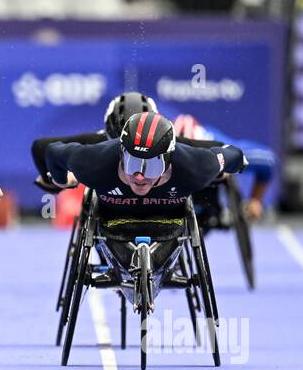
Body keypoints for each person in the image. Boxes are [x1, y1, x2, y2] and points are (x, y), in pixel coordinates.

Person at [44, 113, 247, 285]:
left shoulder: (195, 166)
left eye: (151, 167)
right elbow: (53, 151)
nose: (139, 177)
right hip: (112, 223)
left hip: (169, 224)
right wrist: (62, 181)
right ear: (121, 154)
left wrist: (235, 166)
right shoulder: (94, 161)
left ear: (168, 161)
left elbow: (233, 155)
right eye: (132, 164)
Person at [29, 90, 158, 192]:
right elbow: (42, 148)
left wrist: (55, 182)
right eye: (120, 146)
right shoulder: (96, 143)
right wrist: (61, 180)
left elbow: (41, 148)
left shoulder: (96, 143)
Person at [171, 114, 275, 222]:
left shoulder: (219, 147)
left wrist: (256, 199)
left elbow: (267, 158)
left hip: (211, 168)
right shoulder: (166, 150)